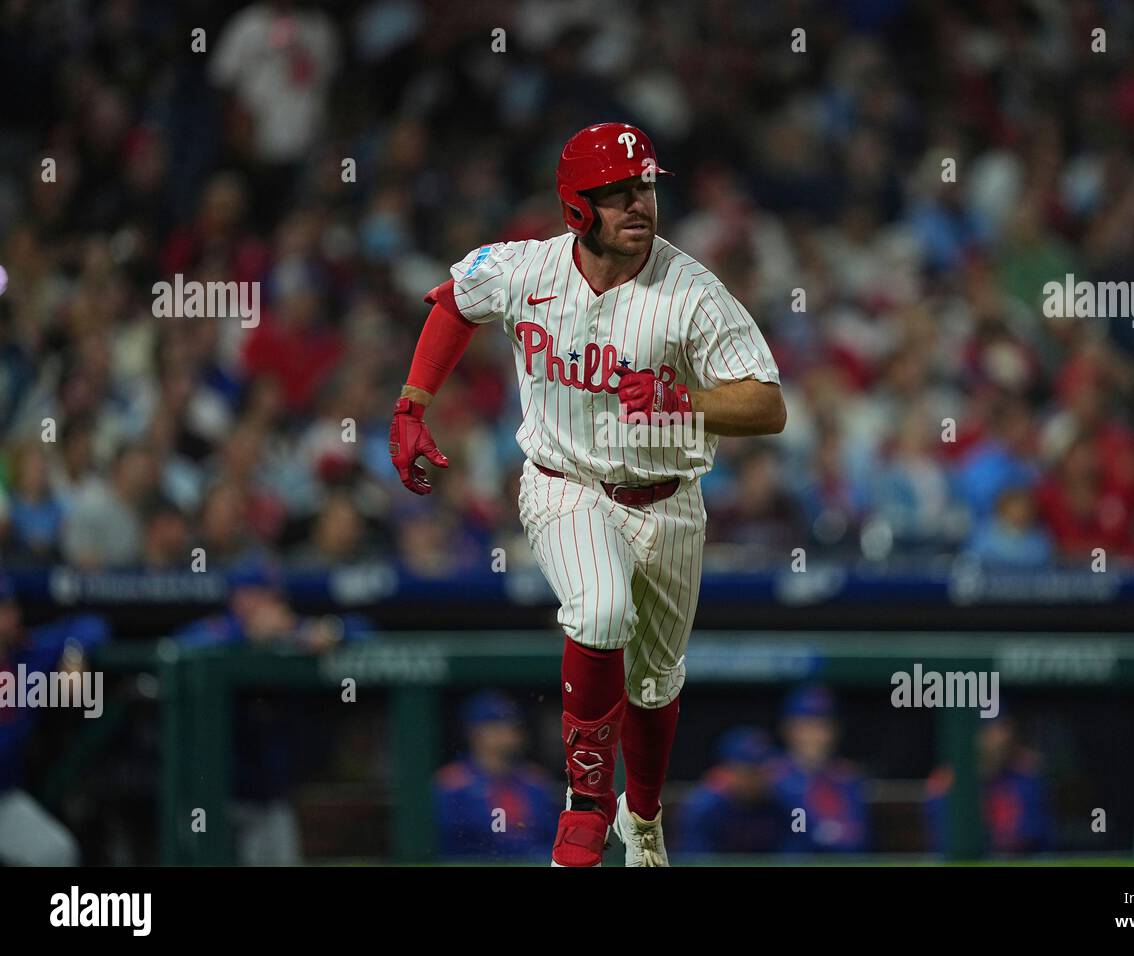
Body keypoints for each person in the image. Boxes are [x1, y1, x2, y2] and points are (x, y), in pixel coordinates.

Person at [389, 122, 785, 866]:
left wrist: (680, 400)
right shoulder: (525, 268)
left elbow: (768, 406)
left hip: (669, 502)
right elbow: (453, 301)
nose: (641, 204)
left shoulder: (691, 292)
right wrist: (411, 404)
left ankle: (644, 819)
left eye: (646, 188)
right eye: (619, 195)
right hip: (564, 485)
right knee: (600, 610)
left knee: (656, 682)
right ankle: (588, 801)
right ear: (578, 208)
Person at [174, 560, 371, 865]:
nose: (267, 604)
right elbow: (179, 650)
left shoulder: (287, 632)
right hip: (207, 795)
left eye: (272, 597)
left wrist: (333, 631)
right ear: (237, 597)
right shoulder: (216, 630)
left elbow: (365, 630)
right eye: (257, 595)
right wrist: (247, 637)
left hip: (266, 797)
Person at [0, 572, 111, 865]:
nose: (8, 617)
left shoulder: (26, 655)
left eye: (9, 607)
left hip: (4, 799)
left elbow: (90, 624)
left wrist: (74, 655)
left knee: (56, 852)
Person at [433, 691, 558, 859]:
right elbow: (449, 843)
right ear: (475, 732)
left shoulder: (535, 780)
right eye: (498, 726)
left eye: (513, 727)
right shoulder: (453, 782)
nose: (509, 734)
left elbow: (552, 836)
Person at [924, 711, 1052, 855]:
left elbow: (1032, 836)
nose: (1002, 738)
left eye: (1004, 727)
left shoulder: (1026, 774)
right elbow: (947, 842)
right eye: (991, 730)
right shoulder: (946, 781)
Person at [769, 684, 872, 853]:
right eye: (805, 726)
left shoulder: (848, 778)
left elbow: (858, 839)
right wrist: (827, 831)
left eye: (822, 726)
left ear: (835, 731)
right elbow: (799, 834)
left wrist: (822, 833)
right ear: (787, 729)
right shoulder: (771, 776)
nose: (814, 736)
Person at [678, 727, 787, 856]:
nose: (757, 778)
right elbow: (695, 858)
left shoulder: (783, 802)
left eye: (762, 770)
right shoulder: (704, 808)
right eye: (748, 772)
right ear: (727, 771)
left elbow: (799, 855)